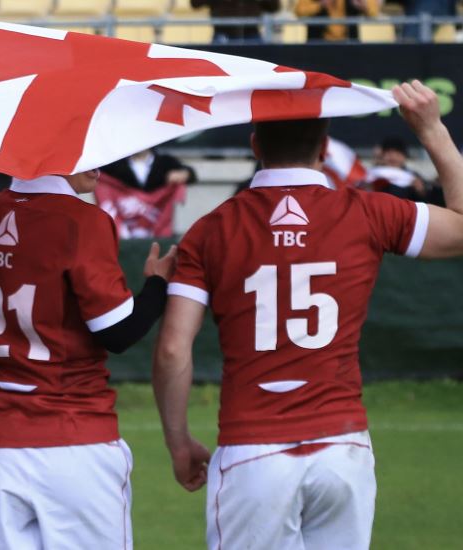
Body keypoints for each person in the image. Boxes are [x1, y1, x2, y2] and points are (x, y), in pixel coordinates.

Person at [152, 81, 463, 550]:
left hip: (251, 449)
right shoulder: (368, 211)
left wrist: (178, 443)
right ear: (324, 148)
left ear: (255, 145)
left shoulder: (209, 230)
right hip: (342, 448)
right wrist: (433, 130)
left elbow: (174, 350)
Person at [0, 168, 177, 549]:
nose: (99, 163)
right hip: (77, 440)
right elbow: (118, 333)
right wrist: (157, 285)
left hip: (2, 445)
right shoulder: (82, 219)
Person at [100, 147, 196, 191]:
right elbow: (99, 175)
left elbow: (192, 175)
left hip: (158, 224)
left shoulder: (166, 162)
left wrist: (185, 174)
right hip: (125, 226)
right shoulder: (115, 165)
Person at [190, 0, 280, 42]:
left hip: (252, 33)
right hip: (222, 34)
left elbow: (274, 7)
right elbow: (195, 4)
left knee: (260, 65)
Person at [295, 0, 380, 41]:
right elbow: (299, 11)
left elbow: (373, 13)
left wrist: (363, 6)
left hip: (348, 43)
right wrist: (320, 5)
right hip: (319, 44)